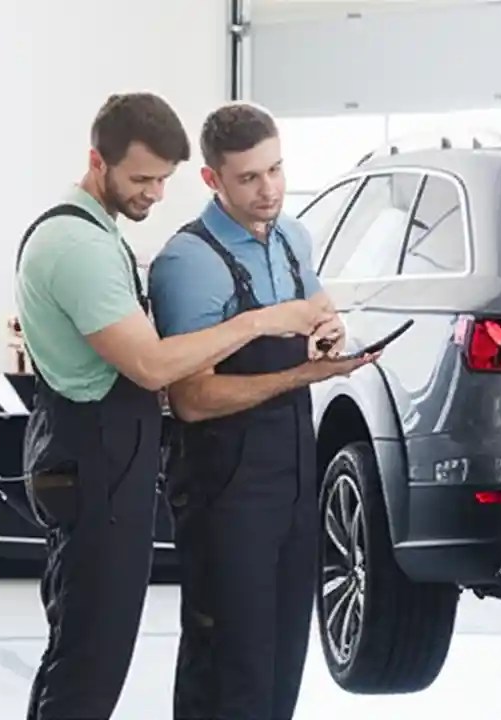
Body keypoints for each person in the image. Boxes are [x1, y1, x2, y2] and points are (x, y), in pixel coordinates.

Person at [14, 93, 336, 720]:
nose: (156, 194)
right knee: (90, 668)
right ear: (96, 162)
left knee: (87, 661)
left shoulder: (101, 235)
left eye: (163, 178)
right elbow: (158, 367)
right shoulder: (78, 245)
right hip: (95, 466)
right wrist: (267, 324)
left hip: (115, 465)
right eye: (142, 178)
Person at [148, 101, 375, 720]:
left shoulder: (292, 236)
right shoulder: (187, 263)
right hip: (227, 492)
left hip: (295, 480)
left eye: (275, 169)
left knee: (281, 671)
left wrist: (332, 332)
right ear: (211, 180)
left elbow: (322, 308)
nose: (269, 189)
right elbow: (191, 399)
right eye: (248, 178)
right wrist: (301, 371)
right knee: (230, 672)